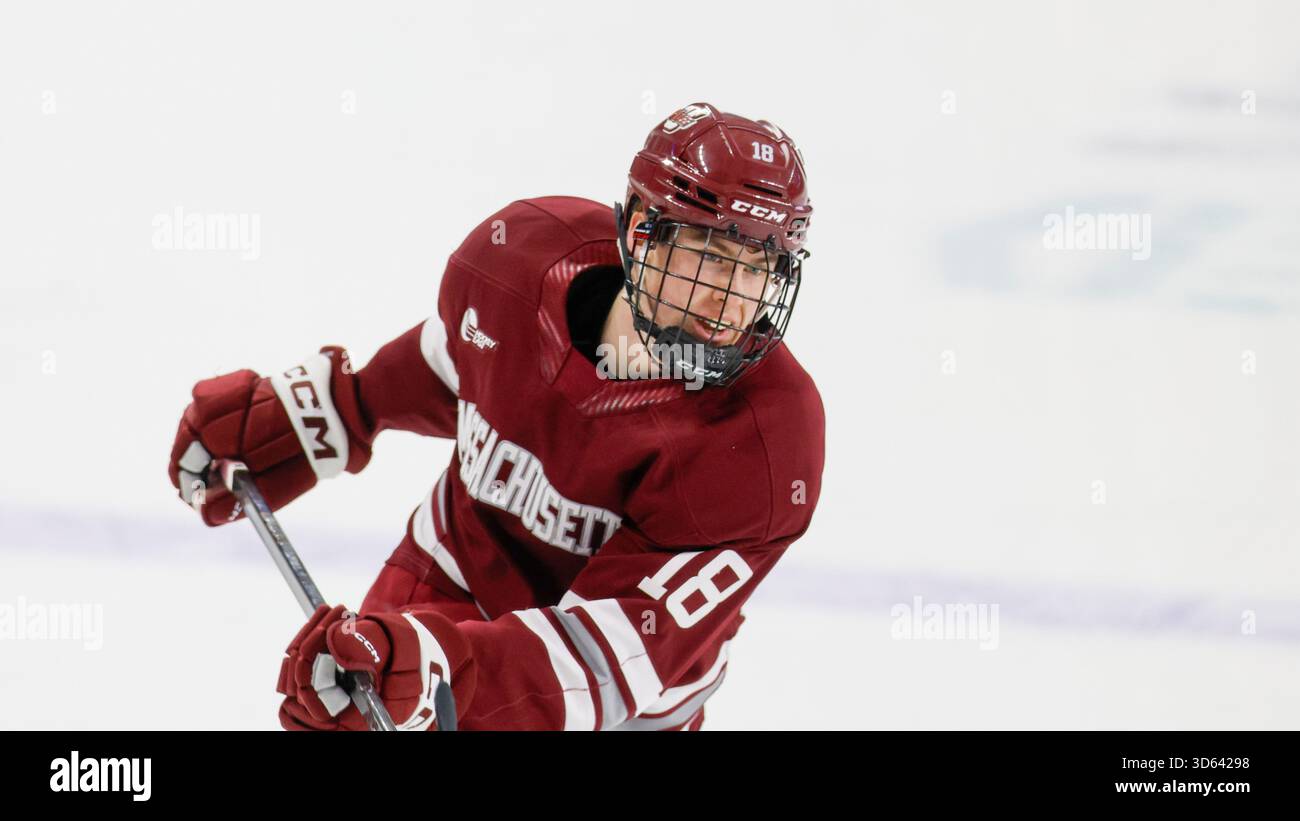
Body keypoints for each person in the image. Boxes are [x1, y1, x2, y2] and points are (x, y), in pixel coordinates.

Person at [168, 102, 825, 730]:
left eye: (758, 269)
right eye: (711, 257)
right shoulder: (518, 261)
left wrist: (444, 665)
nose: (729, 303)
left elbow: (603, 661)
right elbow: (467, 356)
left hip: (623, 703)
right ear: (637, 235)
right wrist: (336, 410)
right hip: (448, 576)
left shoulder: (768, 443)